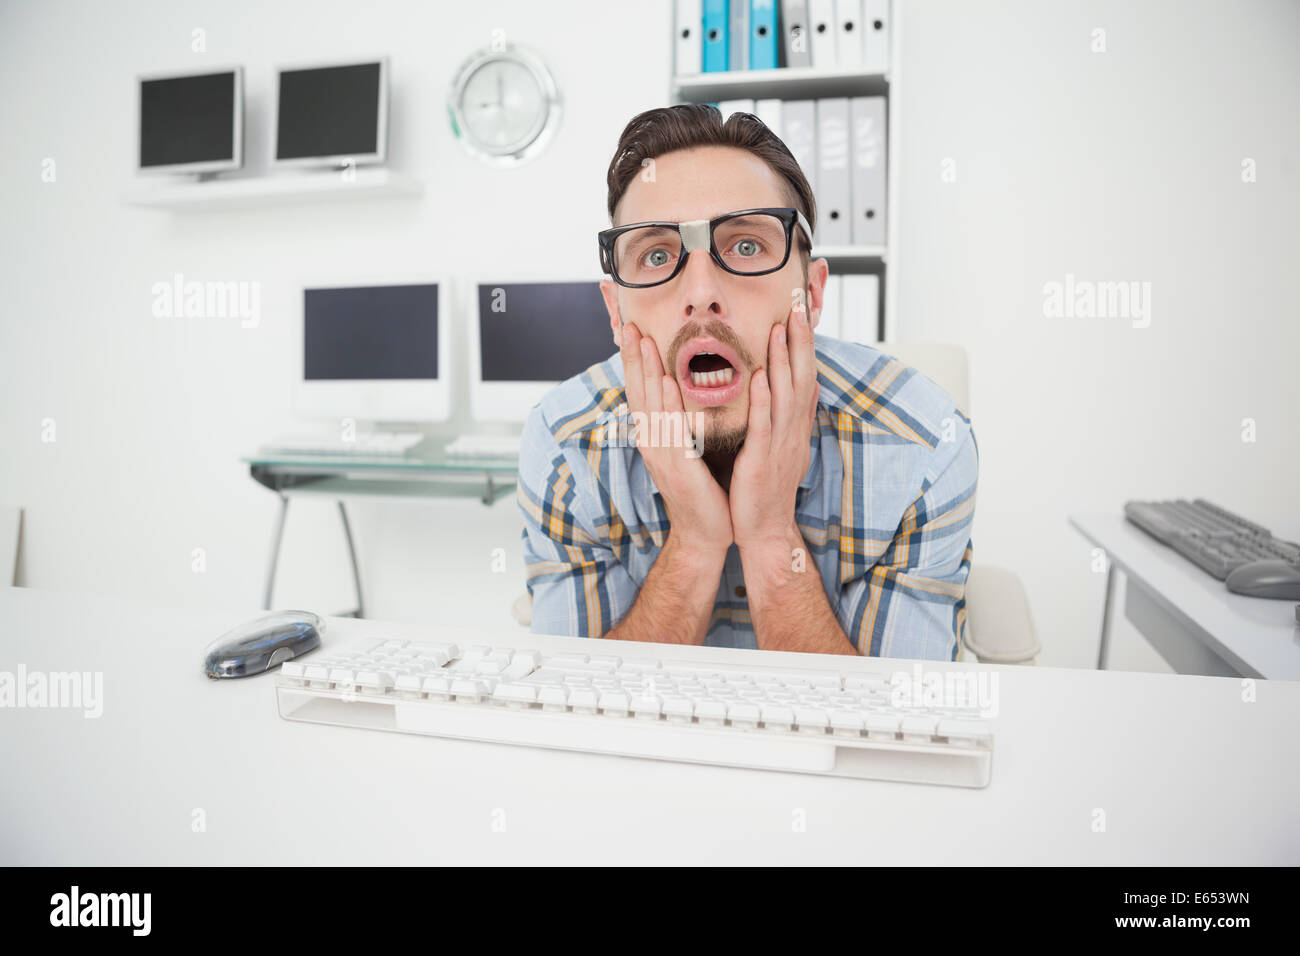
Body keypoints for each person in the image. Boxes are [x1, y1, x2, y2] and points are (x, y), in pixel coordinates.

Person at [516, 104, 978, 660]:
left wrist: (769, 535)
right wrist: (694, 542)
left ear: (810, 295)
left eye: (745, 246)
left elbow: (895, 715)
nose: (701, 293)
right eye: (657, 255)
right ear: (616, 311)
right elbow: (579, 704)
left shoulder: (925, 451)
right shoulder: (564, 448)